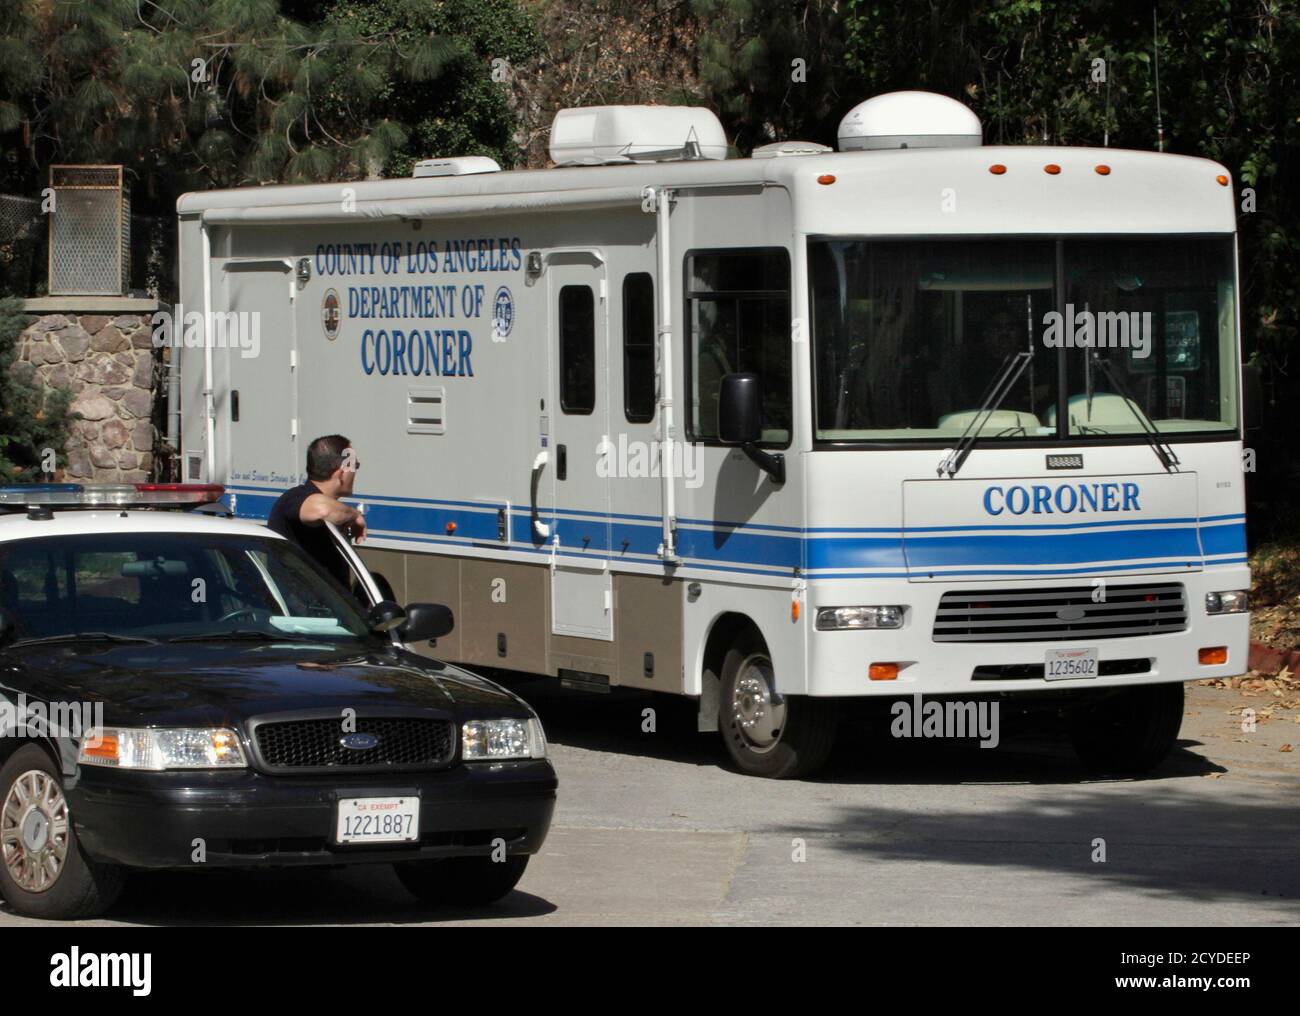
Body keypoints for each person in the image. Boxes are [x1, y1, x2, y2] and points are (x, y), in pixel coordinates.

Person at [267, 435, 367, 589]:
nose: (356, 472)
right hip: (297, 610)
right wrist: (355, 514)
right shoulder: (295, 497)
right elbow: (322, 509)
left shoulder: (335, 510)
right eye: (356, 465)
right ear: (342, 473)